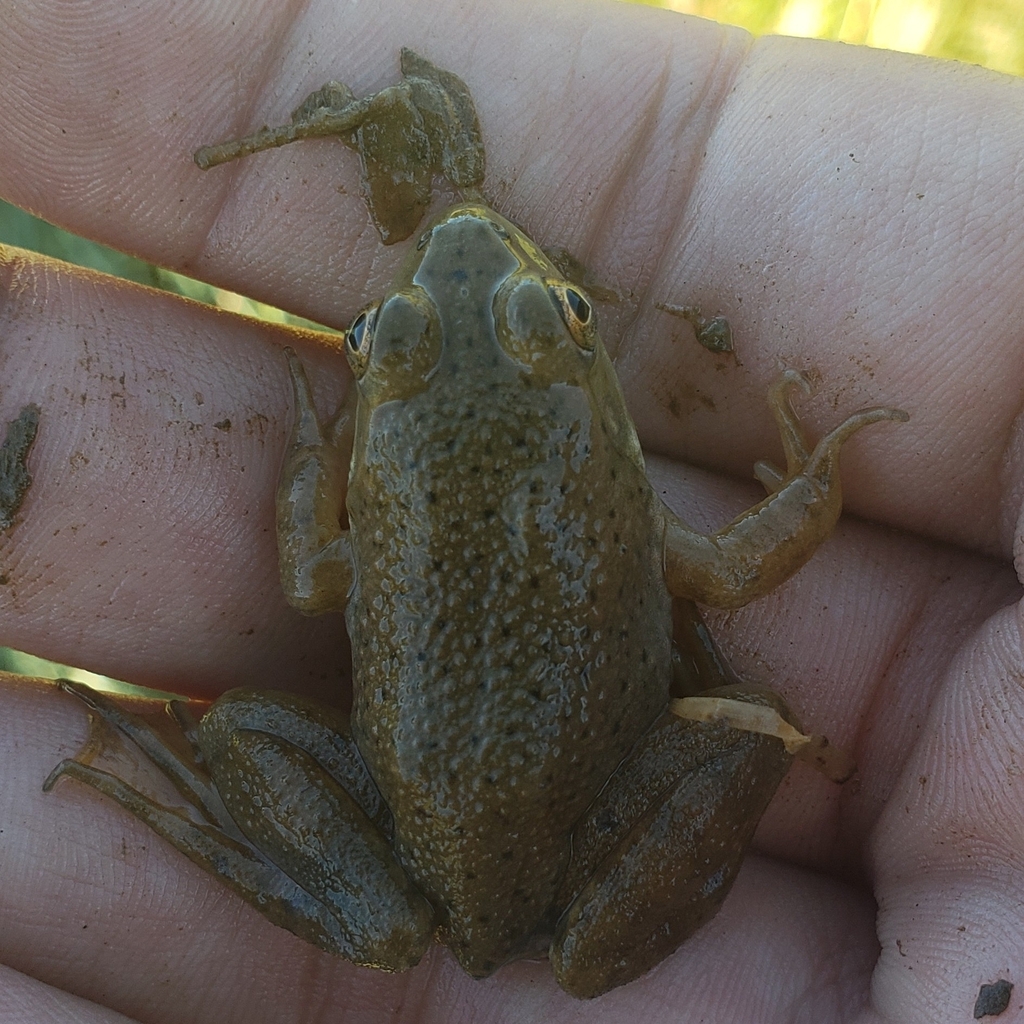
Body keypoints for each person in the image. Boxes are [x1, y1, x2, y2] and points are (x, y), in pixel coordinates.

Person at [1, 1, 1022, 1020]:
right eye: (382, 338)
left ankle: (175, 804)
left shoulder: (360, 544)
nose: (468, 245)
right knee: (747, 728)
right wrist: (820, 470)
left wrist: (313, 454)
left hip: (417, 846)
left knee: (239, 740)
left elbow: (308, 576)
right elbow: (741, 565)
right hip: (546, 834)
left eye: (557, 314)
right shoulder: (618, 505)